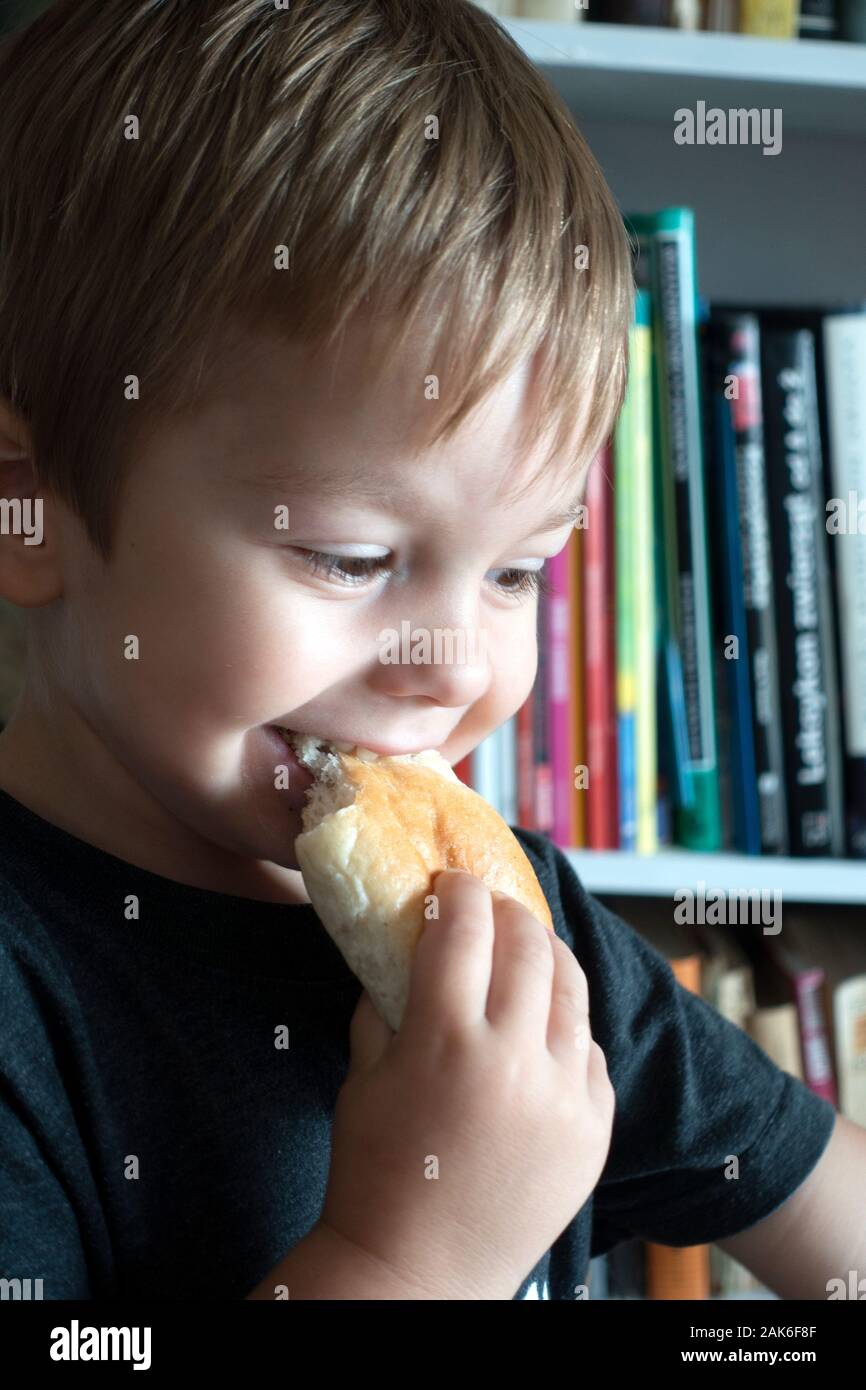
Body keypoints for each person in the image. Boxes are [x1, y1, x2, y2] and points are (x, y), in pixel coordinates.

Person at [0, 0, 862, 1301]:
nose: (452, 663)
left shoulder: (519, 922)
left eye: (516, 569)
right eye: (349, 556)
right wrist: (407, 1257)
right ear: (30, 504)